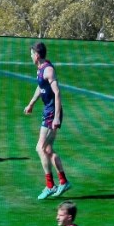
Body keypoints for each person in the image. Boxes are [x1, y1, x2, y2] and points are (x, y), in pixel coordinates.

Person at [25, 41, 71, 200]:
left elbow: (57, 93)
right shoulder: (40, 70)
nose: (30, 56)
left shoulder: (48, 70)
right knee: (48, 150)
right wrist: (31, 103)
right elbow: (41, 87)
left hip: (52, 113)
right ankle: (63, 182)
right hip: (47, 111)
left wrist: (57, 117)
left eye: (31, 53)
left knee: (40, 148)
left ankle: (50, 186)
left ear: (37, 55)